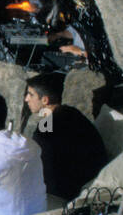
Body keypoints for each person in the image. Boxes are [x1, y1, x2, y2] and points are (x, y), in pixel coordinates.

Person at [24, 74, 107, 203]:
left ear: (45, 100)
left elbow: (40, 166)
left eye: (31, 94)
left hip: (67, 193)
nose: (26, 99)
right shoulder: (71, 113)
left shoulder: (47, 127)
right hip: (90, 180)